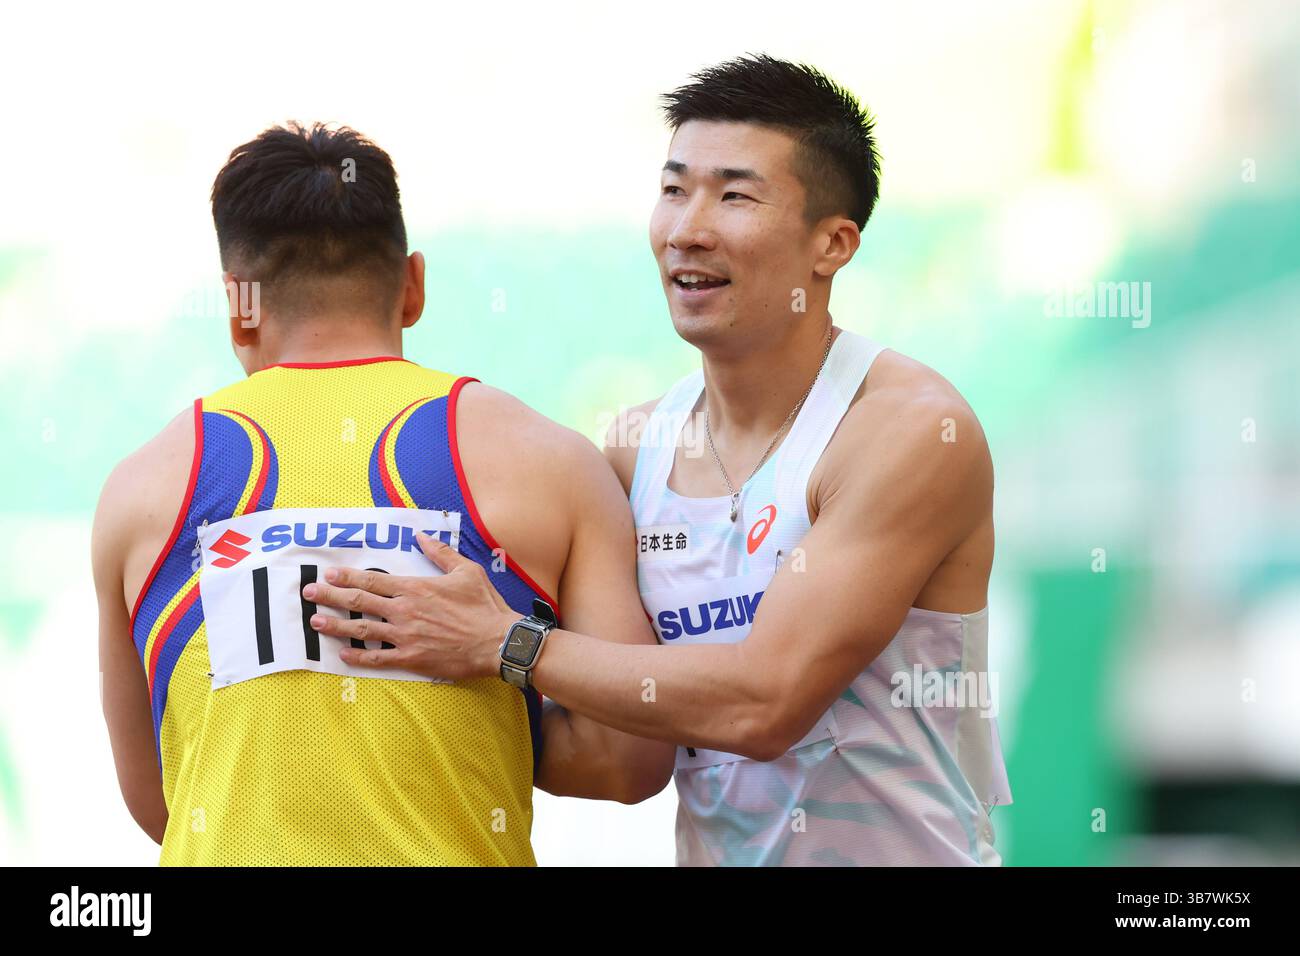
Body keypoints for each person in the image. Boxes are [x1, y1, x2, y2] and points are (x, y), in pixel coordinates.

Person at [308, 55, 1013, 866]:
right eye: (675, 189)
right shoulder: (634, 448)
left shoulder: (907, 431)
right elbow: (612, 759)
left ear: (833, 245)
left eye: (735, 195)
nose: (687, 228)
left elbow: (766, 703)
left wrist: (507, 646)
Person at [91, 121, 673, 866]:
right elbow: (628, 761)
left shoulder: (139, 489)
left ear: (238, 302)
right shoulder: (549, 462)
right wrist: (470, 702)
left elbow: (165, 801)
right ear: (413, 285)